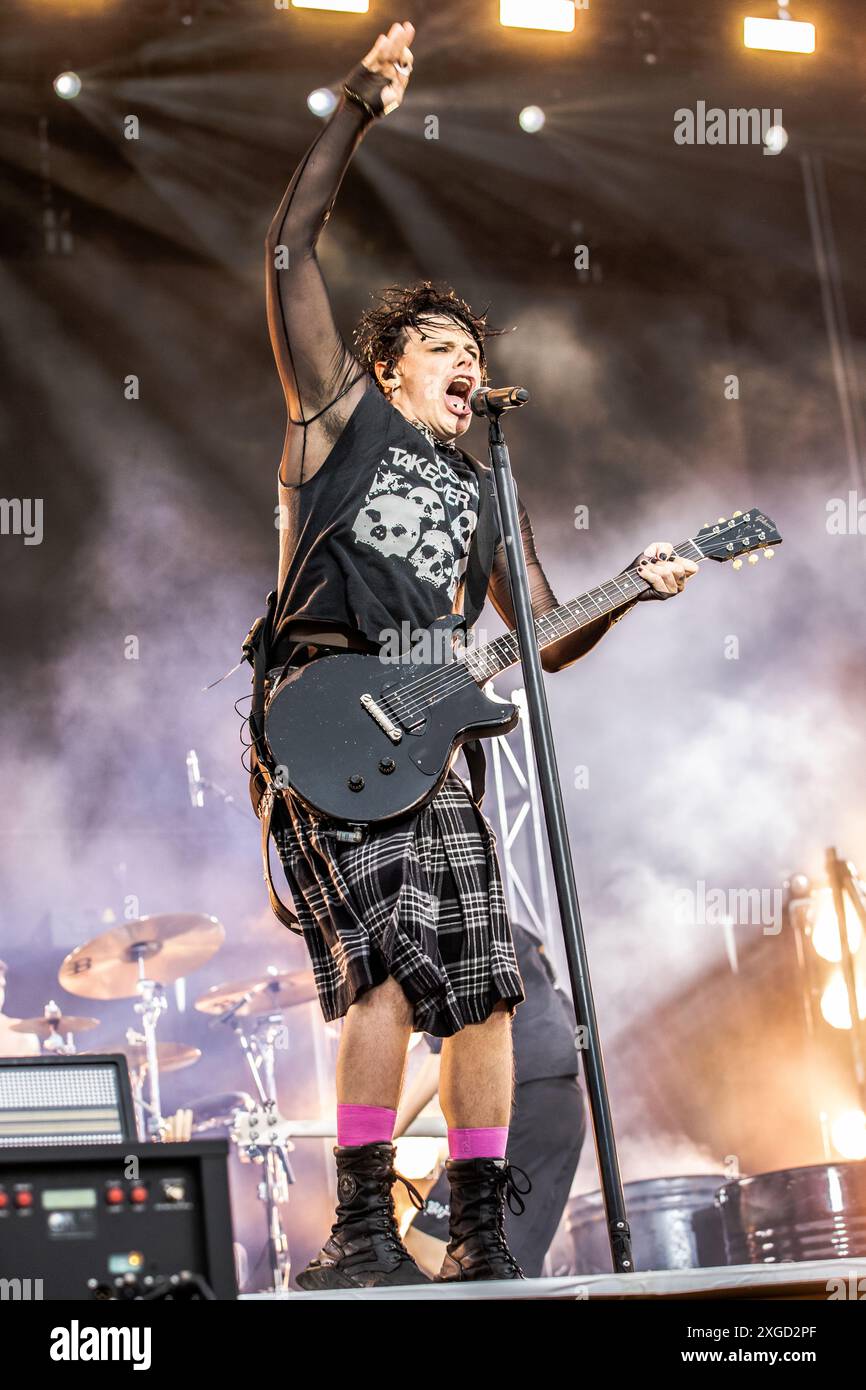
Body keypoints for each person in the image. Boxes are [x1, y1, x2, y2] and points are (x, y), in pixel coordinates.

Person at [245, 19, 697, 1290]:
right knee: (382, 971)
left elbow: (542, 636)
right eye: (443, 350)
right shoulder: (334, 426)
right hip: (329, 710)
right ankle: (356, 1229)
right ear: (385, 372)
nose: (468, 367)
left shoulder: (486, 488)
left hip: (438, 739)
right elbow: (287, 250)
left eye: (476, 355)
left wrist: (634, 591)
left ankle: (486, 1223)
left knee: (486, 984)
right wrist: (357, 107)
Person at [394, 922, 586, 1279]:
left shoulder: (448, 931)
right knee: (506, 1264)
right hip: (563, 1105)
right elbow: (564, 1007)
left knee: (430, 1246)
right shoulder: (513, 933)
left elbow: (438, 1062)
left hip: (521, 1104)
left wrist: (379, 1139)